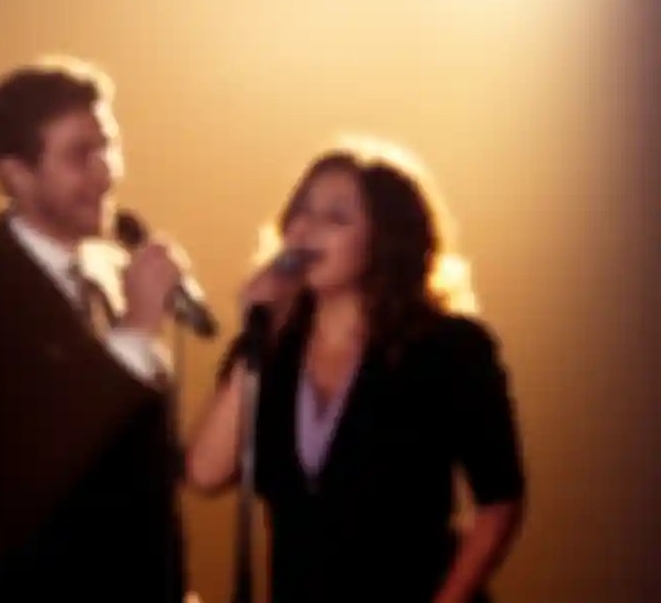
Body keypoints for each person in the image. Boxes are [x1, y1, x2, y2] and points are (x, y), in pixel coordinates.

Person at [186, 143, 526, 602]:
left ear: (384, 240)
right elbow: (206, 473)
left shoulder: (449, 347)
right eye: (301, 212)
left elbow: (499, 501)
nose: (306, 231)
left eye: (336, 218)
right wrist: (257, 338)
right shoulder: (274, 349)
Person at [0, 56, 190, 602]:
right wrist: (139, 329)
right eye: (78, 155)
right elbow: (40, 453)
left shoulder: (105, 280)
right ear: (14, 174)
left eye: (108, 146)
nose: (105, 171)